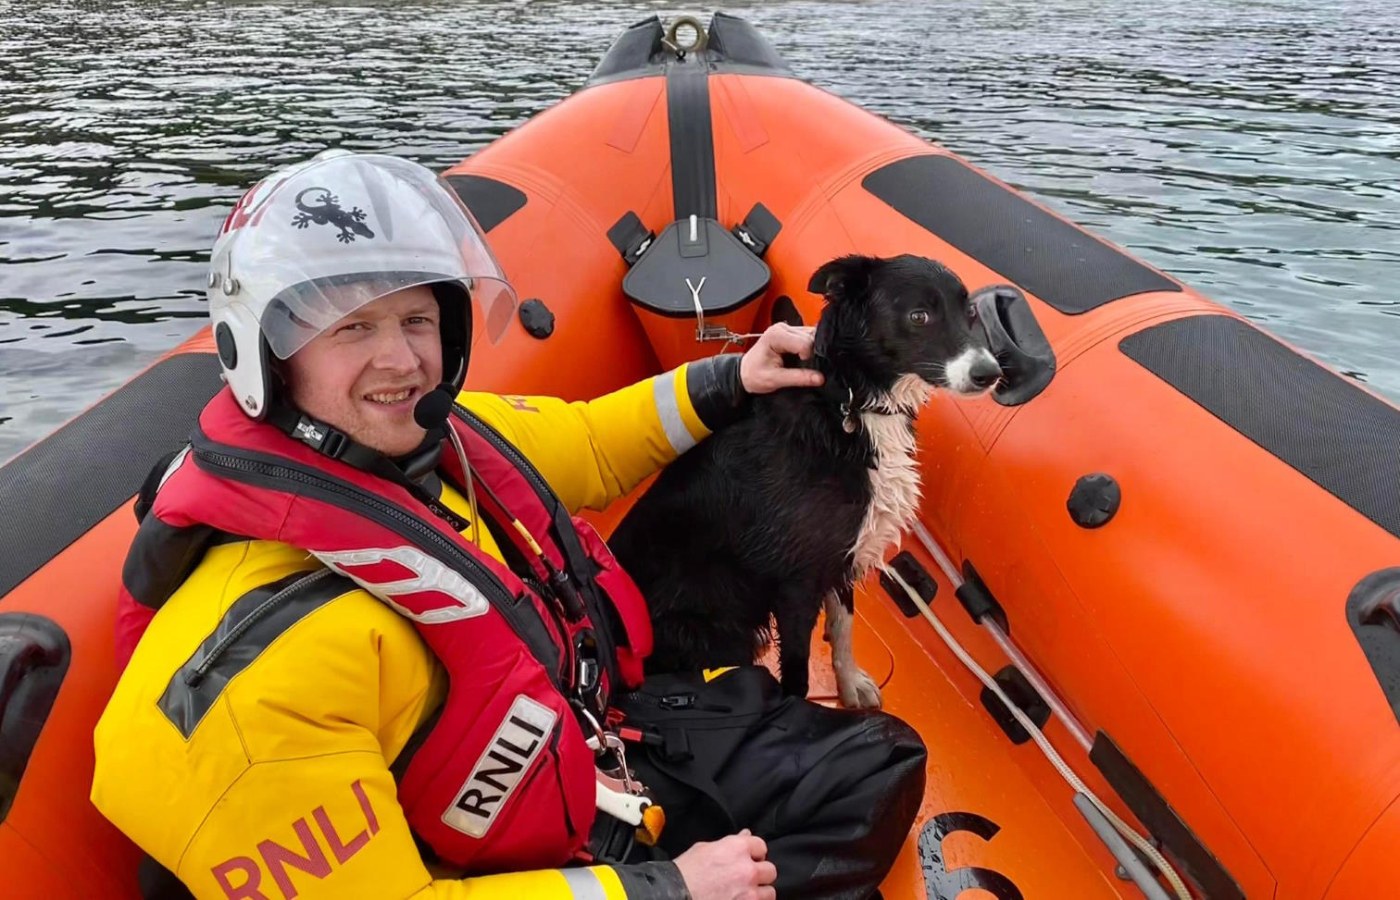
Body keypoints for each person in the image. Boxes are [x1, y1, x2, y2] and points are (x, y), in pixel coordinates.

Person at [92, 151, 926, 900]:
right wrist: (668, 889)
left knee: (867, 753)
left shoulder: (430, 440)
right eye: (352, 327)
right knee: (861, 778)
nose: (401, 361)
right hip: (511, 857)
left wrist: (734, 376)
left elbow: (592, 444)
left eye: (417, 321)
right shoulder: (259, 694)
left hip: (579, 741)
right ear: (268, 357)